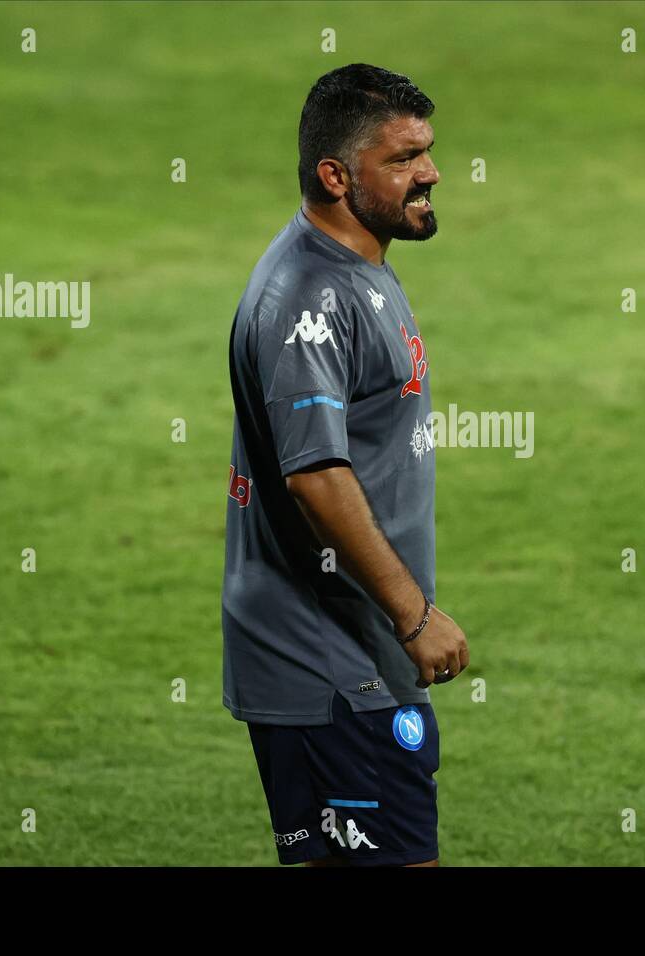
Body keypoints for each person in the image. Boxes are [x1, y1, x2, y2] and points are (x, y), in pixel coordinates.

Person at [222, 64, 469, 867]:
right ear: (336, 175)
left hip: (350, 660)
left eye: (426, 153)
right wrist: (414, 615)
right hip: (332, 669)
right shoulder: (307, 299)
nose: (429, 172)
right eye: (401, 160)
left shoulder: (356, 266)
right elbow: (316, 476)